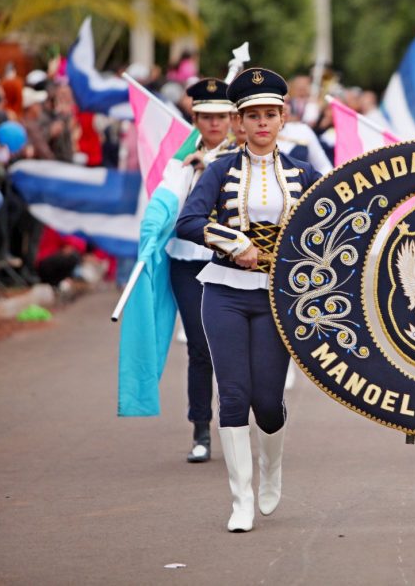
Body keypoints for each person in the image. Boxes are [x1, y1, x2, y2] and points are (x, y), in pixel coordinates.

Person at [176, 68, 321, 532]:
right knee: (233, 395)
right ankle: (240, 499)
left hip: (277, 298)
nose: (261, 123)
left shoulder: (305, 173)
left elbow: (340, 219)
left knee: (267, 401)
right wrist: (231, 242)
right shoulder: (218, 170)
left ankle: (272, 467)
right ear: (239, 123)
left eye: (269, 114)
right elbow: (189, 221)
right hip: (223, 292)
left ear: (283, 118)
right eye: (252, 116)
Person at [168, 77, 236, 463]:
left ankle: (235, 422)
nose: (213, 124)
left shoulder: (241, 156)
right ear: (194, 117)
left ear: (231, 118)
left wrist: (207, 165)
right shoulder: (177, 156)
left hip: (224, 258)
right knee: (199, 346)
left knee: (230, 345)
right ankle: (200, 429)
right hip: (184, 260)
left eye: (221, 116)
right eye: (206, 116)